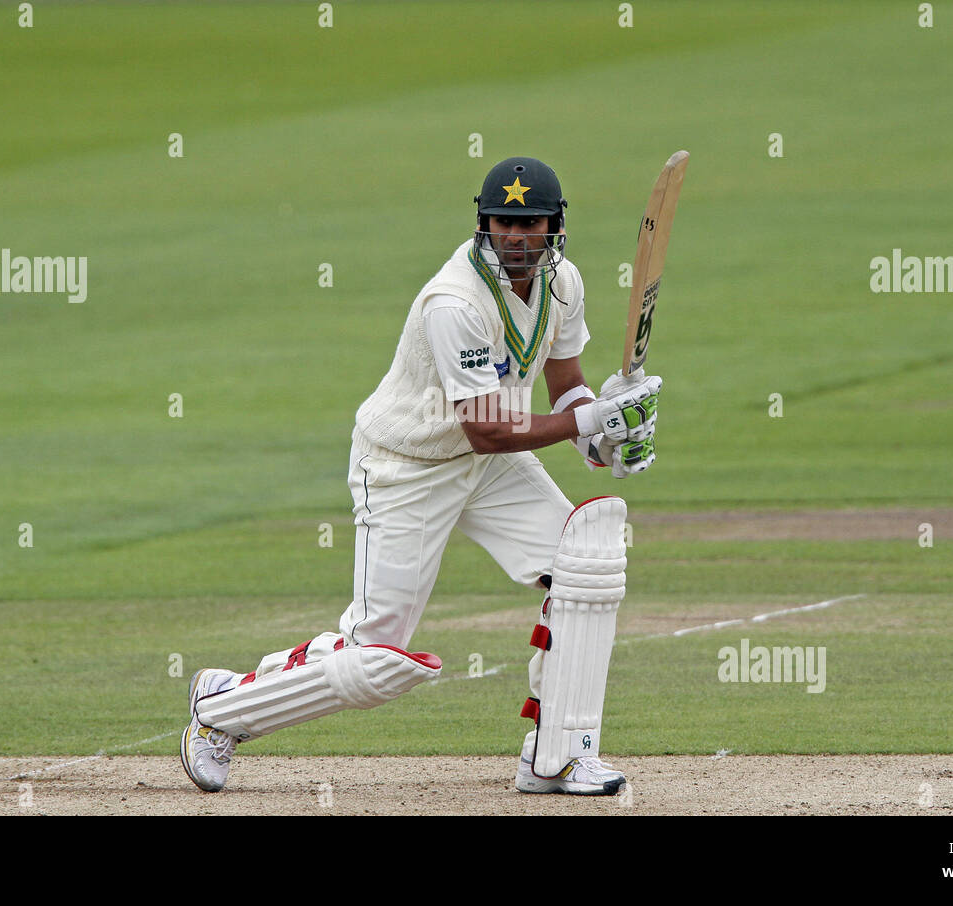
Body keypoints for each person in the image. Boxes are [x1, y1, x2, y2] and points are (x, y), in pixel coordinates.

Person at [180, 157, 662, 796]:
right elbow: (487, 427)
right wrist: (589, 421)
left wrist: (604, 438)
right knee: (376, 657)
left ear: (555, 225)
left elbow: (564, 384)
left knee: (583, 564)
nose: (517, 236)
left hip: (485, 464)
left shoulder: (564, 283)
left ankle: (560, 756)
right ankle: (223, 709)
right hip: (406, 465)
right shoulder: (454, 301)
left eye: (531, 223)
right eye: (504, 222)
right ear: (485, 224)